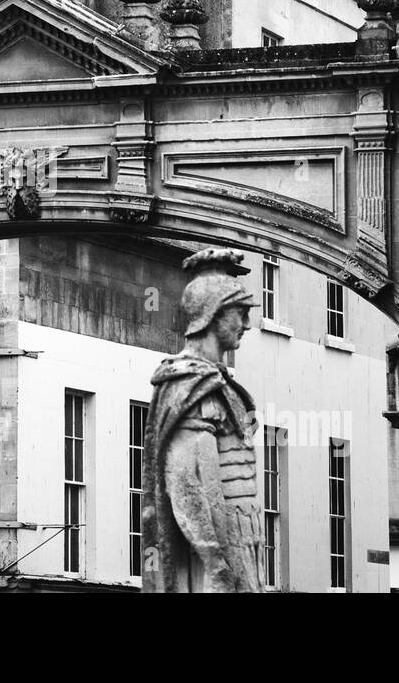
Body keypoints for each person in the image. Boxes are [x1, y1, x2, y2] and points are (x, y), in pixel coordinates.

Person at [141, 248, 262, 593]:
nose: (247, 324)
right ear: (214, 314)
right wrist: (216, 562)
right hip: (215, 554)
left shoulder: (217, 383)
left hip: (243, 536)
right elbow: (190, 484)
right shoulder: (192, 386)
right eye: (240, 312)